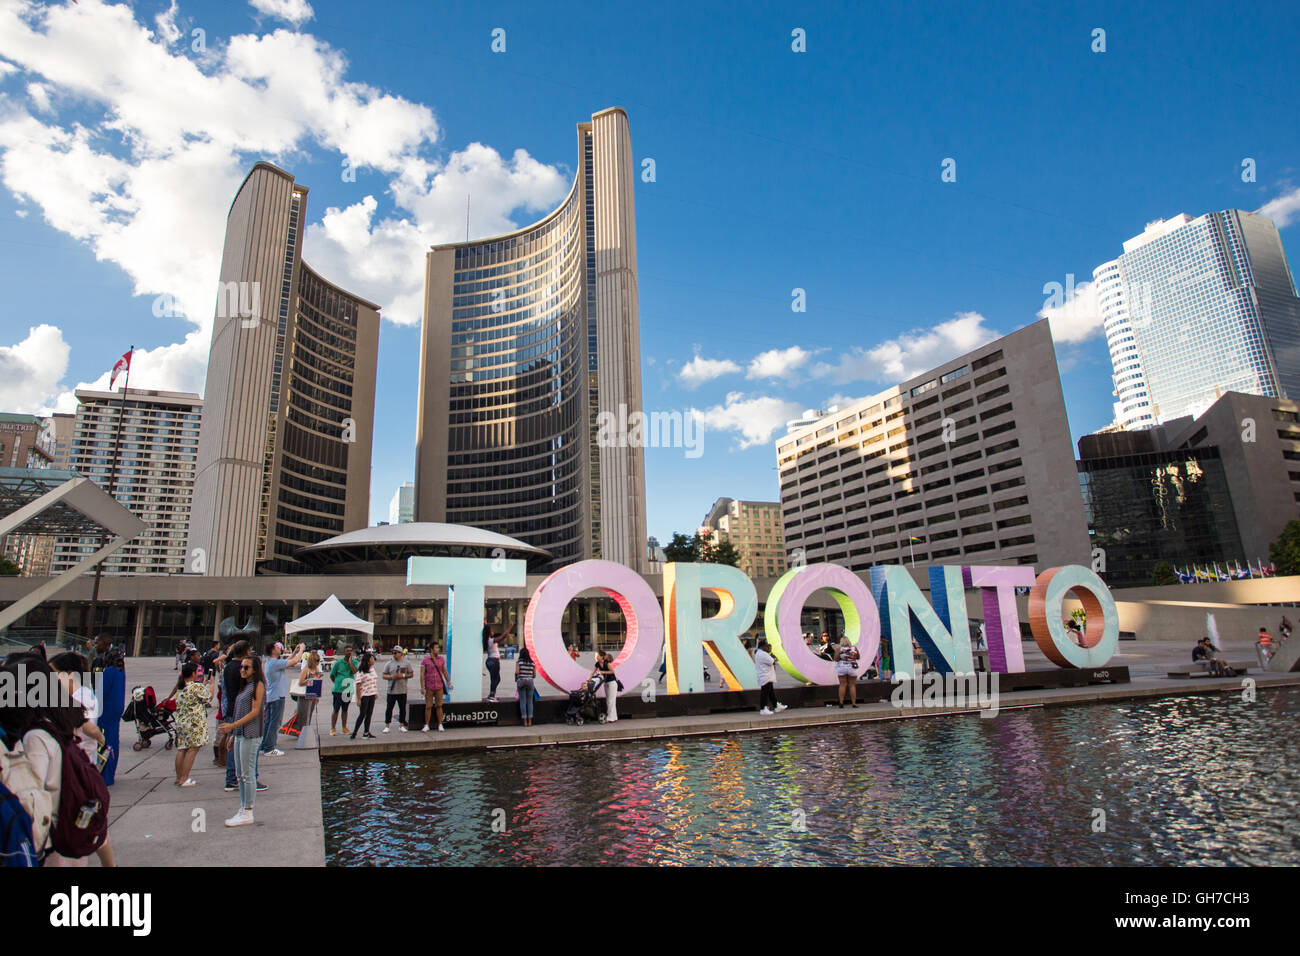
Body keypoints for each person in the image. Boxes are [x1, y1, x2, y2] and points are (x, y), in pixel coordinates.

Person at [0, 654, 116, 867]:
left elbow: (32, 799)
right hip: (71, 835)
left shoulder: (35, 736)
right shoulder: (56, 724)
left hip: (54, 845)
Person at [218, 654, 265, 827]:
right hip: (240, 734)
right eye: (242, 667)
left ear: (255, 670)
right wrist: (233, 733)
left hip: (251, 734)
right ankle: (243, 807)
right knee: (240, 774)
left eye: (246, 667)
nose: (242, 670)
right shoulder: (245, 687)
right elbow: (240, 711)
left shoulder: (257, 686)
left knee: (247, 773)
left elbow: (255, 711)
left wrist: (232, 727)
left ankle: (248, 811)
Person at [48, 652, 107, 769]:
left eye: (53, 674)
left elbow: (89, 728)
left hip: (81, 764)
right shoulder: (70, 696)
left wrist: (100, 737)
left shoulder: (83, 696)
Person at [89, 635, 125, 787]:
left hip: (106, 710)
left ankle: (106, 776)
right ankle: (110, 773)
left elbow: (99, 692)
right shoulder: (120, 671)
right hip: (116, 710)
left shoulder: (109, 672)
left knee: (105, 743)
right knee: (113, 742)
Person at [261, 641, 306, 757]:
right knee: (274, 723)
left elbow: (287, 662)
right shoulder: (274, 664)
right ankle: (269, 748)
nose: (278, 648)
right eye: (276, 647)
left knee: (268, 722)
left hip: (272, 696)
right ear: (272, 650)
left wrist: (295, 652)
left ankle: (264, 745)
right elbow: (295, 661)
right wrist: (301, 650)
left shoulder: (271, 662)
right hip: (277, 696)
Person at [172, 662, 213, 786]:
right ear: (193, 673)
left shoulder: (180, 687)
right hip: (194, 722)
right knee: (193, 749)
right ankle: (185, 778)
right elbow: (209, 697)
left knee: (182, 748)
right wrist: (211, 685)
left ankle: (179, 777)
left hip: (182, 721)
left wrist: (203, 685)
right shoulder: (196, 687)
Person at [221, 640, 251, 790]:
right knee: (242, 745)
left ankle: (231, 777)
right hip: (242, 711)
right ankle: (237, 777)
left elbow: (225, 692)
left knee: (233, 744)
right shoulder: (243, 668)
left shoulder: (227, 667)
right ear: (246, 652)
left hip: (231, 709)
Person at [420, 641, 451, 732]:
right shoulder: (425, 660)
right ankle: (426, 724)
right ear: (432, 649)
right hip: (429, 685)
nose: (438, 649)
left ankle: (440, 724)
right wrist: (422, 687)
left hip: (439, 686)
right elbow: (422, 674)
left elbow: (444, 671)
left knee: (439, 705)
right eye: (437, 648)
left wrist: (448, 682)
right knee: (428, 706)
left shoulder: (441, 659)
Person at [381, 646, 414, 733]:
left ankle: (401, 725)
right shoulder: (389, 663)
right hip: (391, 690)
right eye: (393, 652)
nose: (394, 654)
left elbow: (411, 674)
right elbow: (383, 675)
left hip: (402, 690)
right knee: (389, 708)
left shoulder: (406, 663)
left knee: (402, 708)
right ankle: (387, 725)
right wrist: (391, 676)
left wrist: (402, 676)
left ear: (400, 653)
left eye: (396, 652)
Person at [329, 645, 357, 736]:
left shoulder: (354, 662)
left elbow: (354, 671)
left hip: (348, 689)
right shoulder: (338, 663)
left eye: (350, 651)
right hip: (338, 690)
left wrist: (350, 662)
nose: (349, 652)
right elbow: (332, 675)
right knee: (336, 709)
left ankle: (344, 727)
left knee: (345, 709)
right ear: (344, 652)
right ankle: (333, 728)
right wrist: (337, 682)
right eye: (347, 651)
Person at [350, 652, 378, 739]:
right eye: (372, 658)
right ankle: (355, 732)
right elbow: (358, 685)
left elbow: (374, 681)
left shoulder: (372, 669)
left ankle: (366, 732)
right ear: (368, 661)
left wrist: (375, 692)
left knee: (369, 714)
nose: (373, 660)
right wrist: (358, 699)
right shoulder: (361, 672)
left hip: (371, 694)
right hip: (364, 695)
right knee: (362, 714)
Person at [754, 640, 786, 715]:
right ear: (762, 647)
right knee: (764, 693)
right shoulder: (763, 654)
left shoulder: (759, 653)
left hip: (765, 676)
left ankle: (776, 705)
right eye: (766, 646)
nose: (767, 647)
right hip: (766, 676)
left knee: (770, 692)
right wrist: (773, 657)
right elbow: (773, 661)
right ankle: (763, 708)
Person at [589, 651, 618, 722]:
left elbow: (612, 671)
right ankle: (613, 717)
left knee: (611, 700)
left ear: (601, 657)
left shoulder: (606, 663)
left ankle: (611, 717)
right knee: (608, 700)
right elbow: (592, 673)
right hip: (606, 683)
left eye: (597, 655)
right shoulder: (597, 664)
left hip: (612, 683)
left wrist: (603, 672)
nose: (596, 657)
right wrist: (588, 680)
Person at [836, 638, 860, 707]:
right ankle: (854, 703)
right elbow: (858, 657)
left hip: (842, 667)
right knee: (852, 685)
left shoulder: (839, 649)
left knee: (842, 685)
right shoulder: (854, 648)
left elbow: (836, 659)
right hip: (852, 667)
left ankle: (841, 703)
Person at [516, 647, 537, 727]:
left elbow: (517, 672)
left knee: (523, 701)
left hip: (521, 681)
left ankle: (524, 721)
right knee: (529, 701)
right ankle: (530, 721)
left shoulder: (519, 662)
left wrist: (517, 678)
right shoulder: (532, 663)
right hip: (530, 682)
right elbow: (534, 675)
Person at [483, 623, 502, 702]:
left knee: (496, 679)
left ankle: (492, 695)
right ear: (489, 632)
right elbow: (503, 636)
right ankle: (491, 696)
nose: (493, 631)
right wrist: (510, 627)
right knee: (495, 679)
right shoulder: (491, 640)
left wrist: (485, 624)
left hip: (489, 660)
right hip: (494, 660)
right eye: (491, 630)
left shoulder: (487, 640)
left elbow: (487, 629)